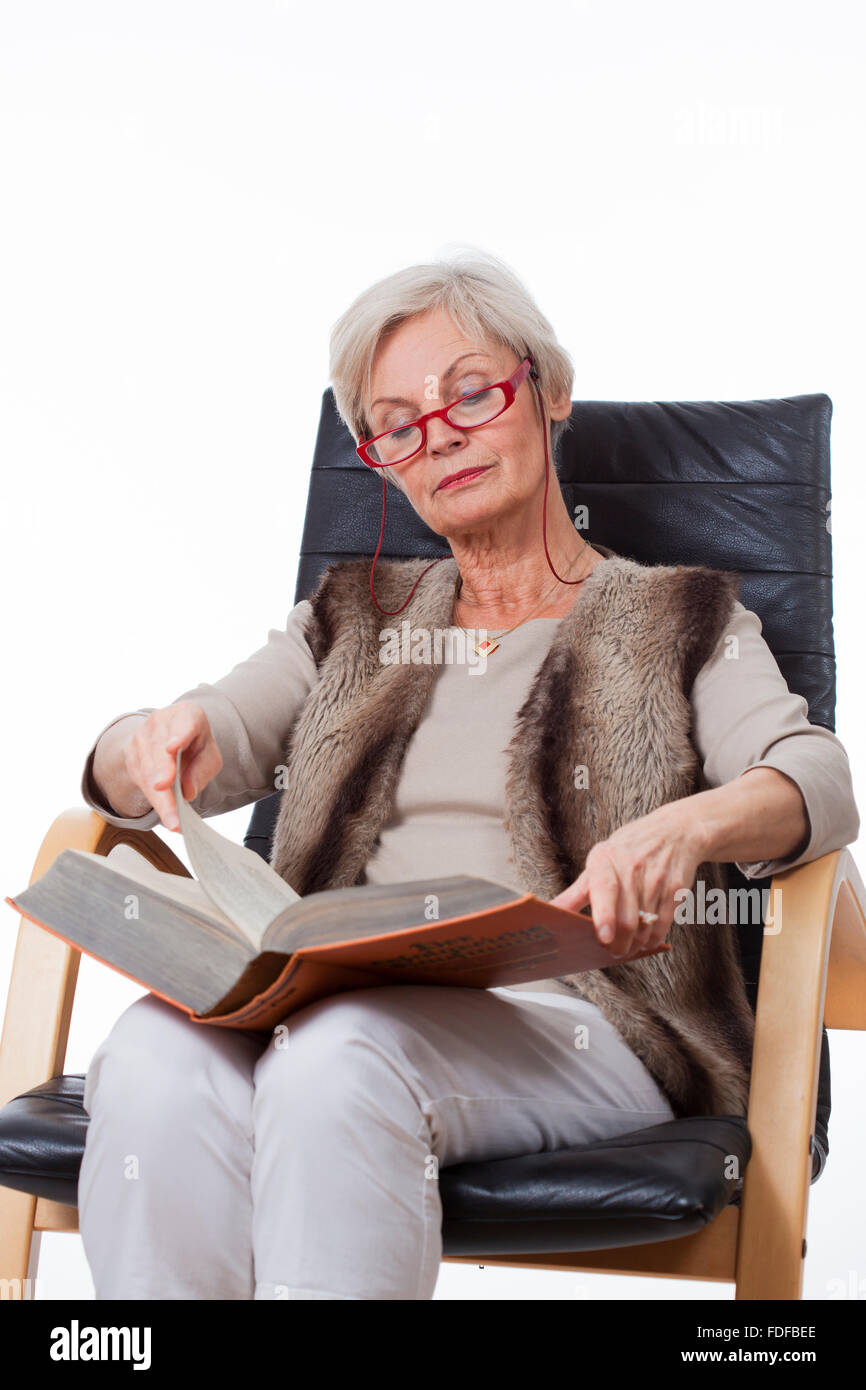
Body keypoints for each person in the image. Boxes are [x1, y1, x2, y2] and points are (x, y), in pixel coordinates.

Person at [77, 250, 859, 1300]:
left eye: (468, 392)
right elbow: (196, 735)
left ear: (548, 388)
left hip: (585, 1020)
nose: (437, 433)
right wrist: (143, 743)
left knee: (339, 1058)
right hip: (333, 1007)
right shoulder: (350, 618)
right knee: (153, 1058)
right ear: (382, 463)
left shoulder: (682, 617)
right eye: (396, 423)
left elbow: (810, 773)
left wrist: (686, 831)